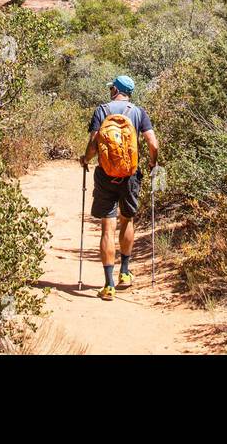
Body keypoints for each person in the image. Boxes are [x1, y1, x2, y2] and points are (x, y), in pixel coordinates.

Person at [80, 74, 159, 301]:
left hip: (105, 176)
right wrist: (153, 162)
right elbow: (152, 143)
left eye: (111, 88)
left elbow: (94, 144)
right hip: (130, 175)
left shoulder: (101, 111)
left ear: (115, 89)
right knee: (127, 220)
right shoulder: (138, 112)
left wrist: (85, 160)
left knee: (107, 228)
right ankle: (125, 272)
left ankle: (108, 285)